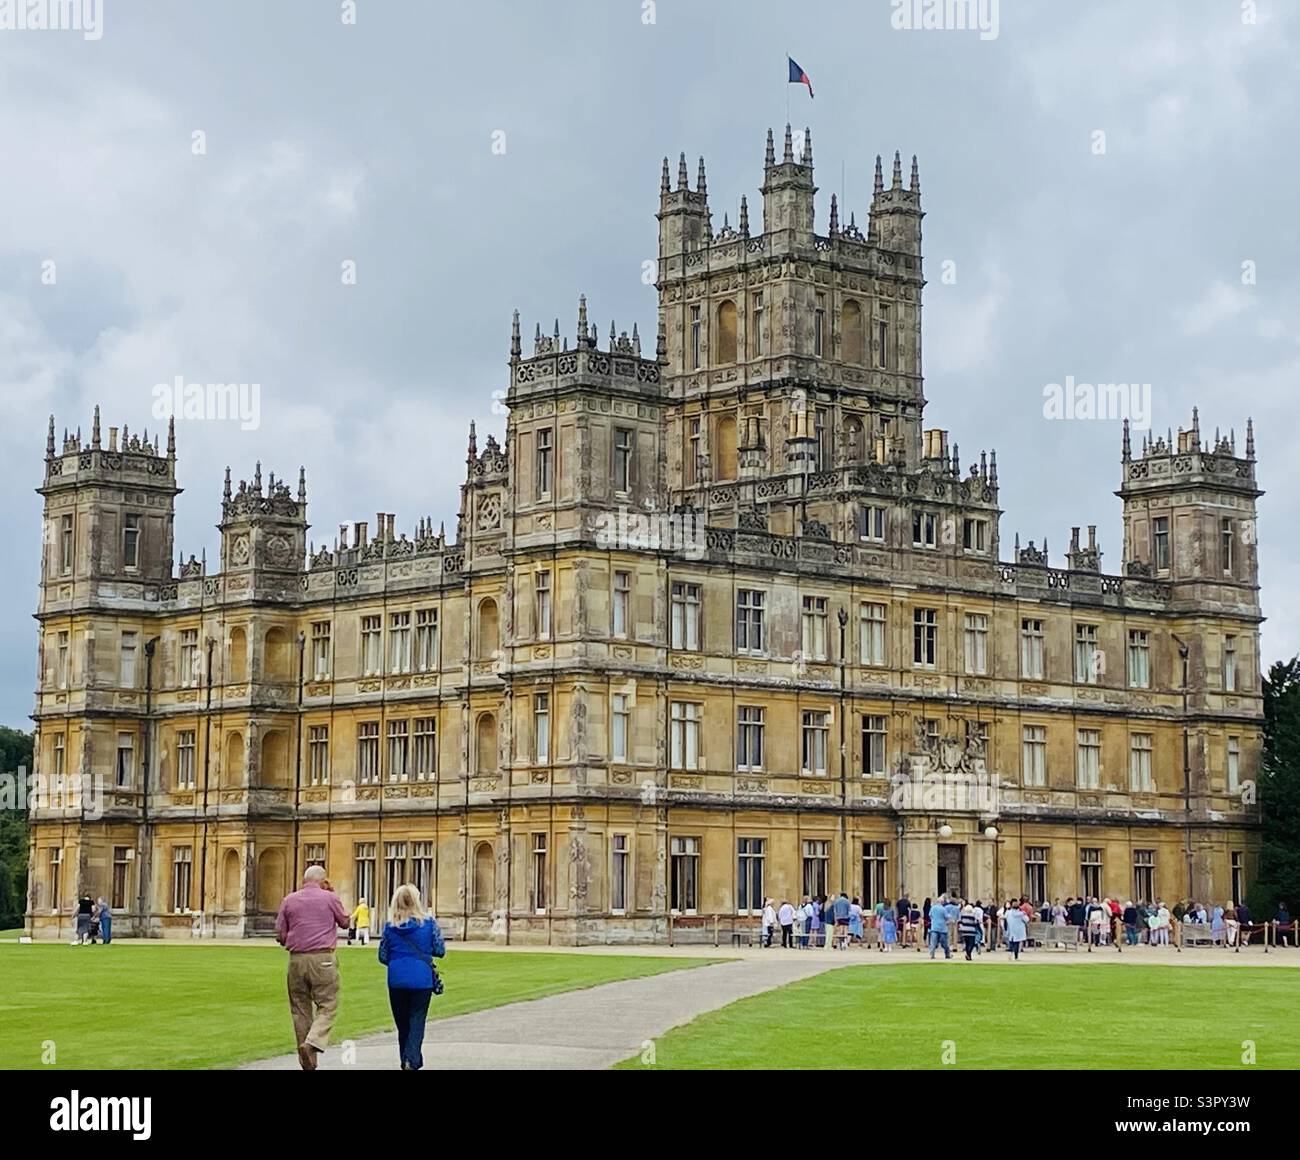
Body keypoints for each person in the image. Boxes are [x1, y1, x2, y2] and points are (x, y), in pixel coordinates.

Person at [275, 865, 351, 1070]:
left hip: (296, 959)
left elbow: (280, 934)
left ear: (303, 880)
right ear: (324, 881)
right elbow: (345, 922)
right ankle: (312, 1042)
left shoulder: (289, 900)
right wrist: (332, 895)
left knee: (300, 1010)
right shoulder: (329, 898)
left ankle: (308, 1063)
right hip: (322, 958)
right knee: (327, 1005)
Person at [378, 883, 445, 1071]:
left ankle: (406, 1060)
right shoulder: (428, 924)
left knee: (403, 1025)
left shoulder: (390, 927)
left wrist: (399, 960)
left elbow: (383, 956)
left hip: (397, 979)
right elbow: (440, 950)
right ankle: (411, 1061)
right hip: (421, 979)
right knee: (417, 1020)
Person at [928, 895, 951, 960]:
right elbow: (946, 917)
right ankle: (947, 954)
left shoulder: (932, 908)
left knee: (933, 942)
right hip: (942, 928)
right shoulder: (943, 909)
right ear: (942, 902)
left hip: (934, 927)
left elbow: (930, 915)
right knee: (945, 943)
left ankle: (932, 955)